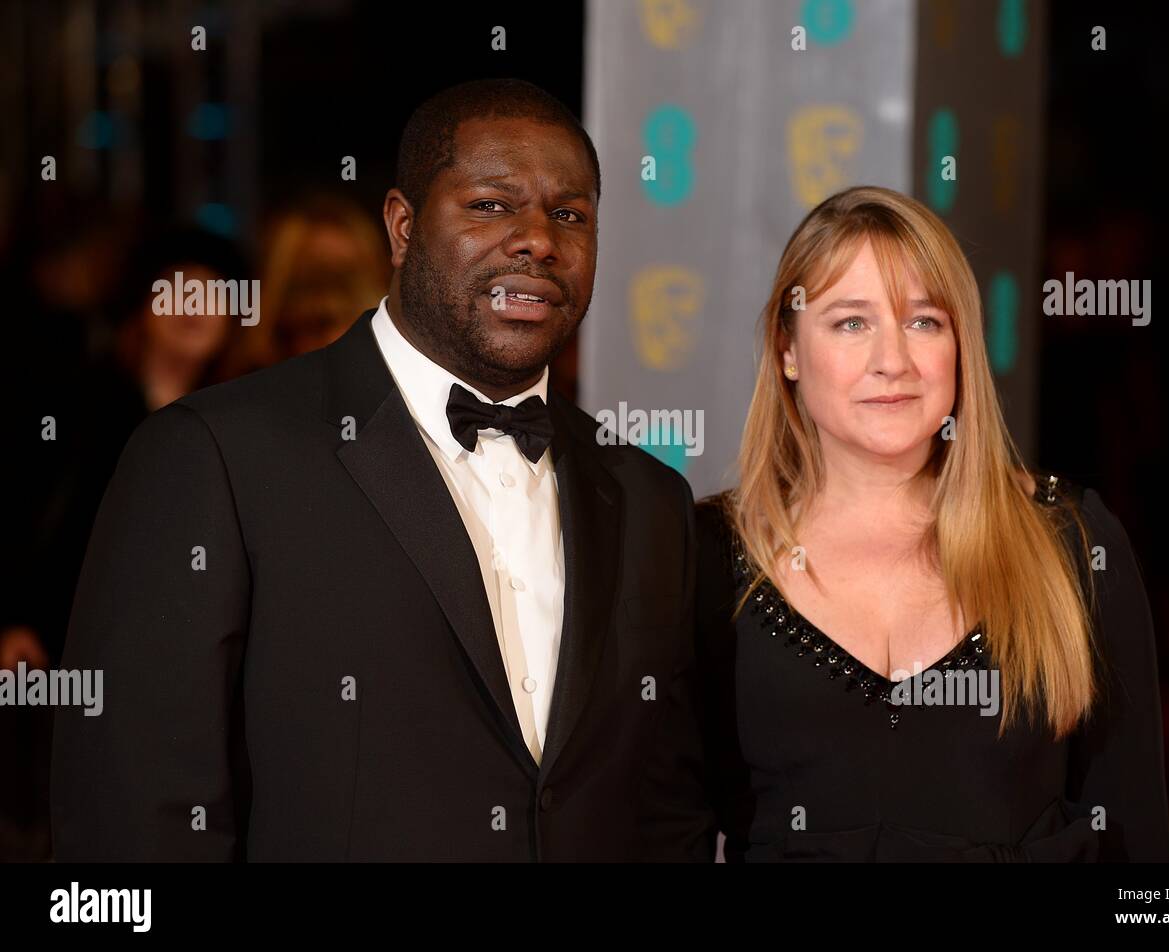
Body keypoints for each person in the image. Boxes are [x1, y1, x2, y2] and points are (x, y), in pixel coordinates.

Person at [52, 78, 713, 862]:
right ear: (402, 227)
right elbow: (130, 825)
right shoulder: (213, 456)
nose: (539, 238)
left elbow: (668, 813)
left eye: (569, 214)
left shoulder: (650, 498)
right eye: (492, 205)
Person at [696, 185, 1169, 861]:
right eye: (851, 323)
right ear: (788, 350)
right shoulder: (707, 556)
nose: (893, 361)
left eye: (924, 322)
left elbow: (1136, 840)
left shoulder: (1071, 541)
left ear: (960, 347)